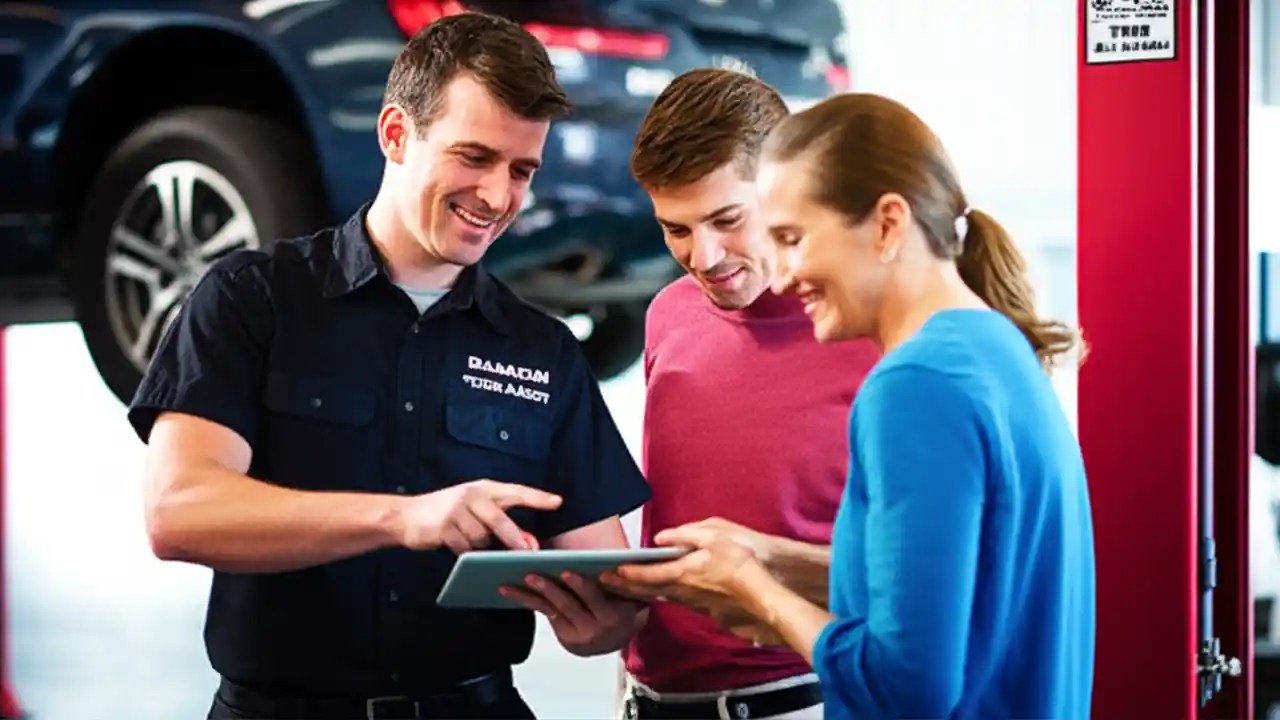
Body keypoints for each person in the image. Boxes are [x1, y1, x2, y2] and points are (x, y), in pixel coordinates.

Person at [129, 13, 652, 720]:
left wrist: (602, 625)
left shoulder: (542, 350)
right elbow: (179, 512)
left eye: (521, 170)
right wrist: (401, 519)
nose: (497, 197)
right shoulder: (253, 299)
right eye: (473, 157)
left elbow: (604, 590)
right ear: (396, 134)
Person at [606, 92, 1097, 720]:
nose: (784, 275)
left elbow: (908, 687)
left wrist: (754, 588)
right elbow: (945, 598)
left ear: (889, 225)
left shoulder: (913, 383)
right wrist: (767, 559)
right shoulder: (994, 348)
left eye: (793, 237)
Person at [512, 67, 880, 719]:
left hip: (804, 698)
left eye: (725, 219)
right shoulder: (668, 314)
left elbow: (916, 581)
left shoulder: (869, 334)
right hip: (651, 700)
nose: (703, 256)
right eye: (675, 228)